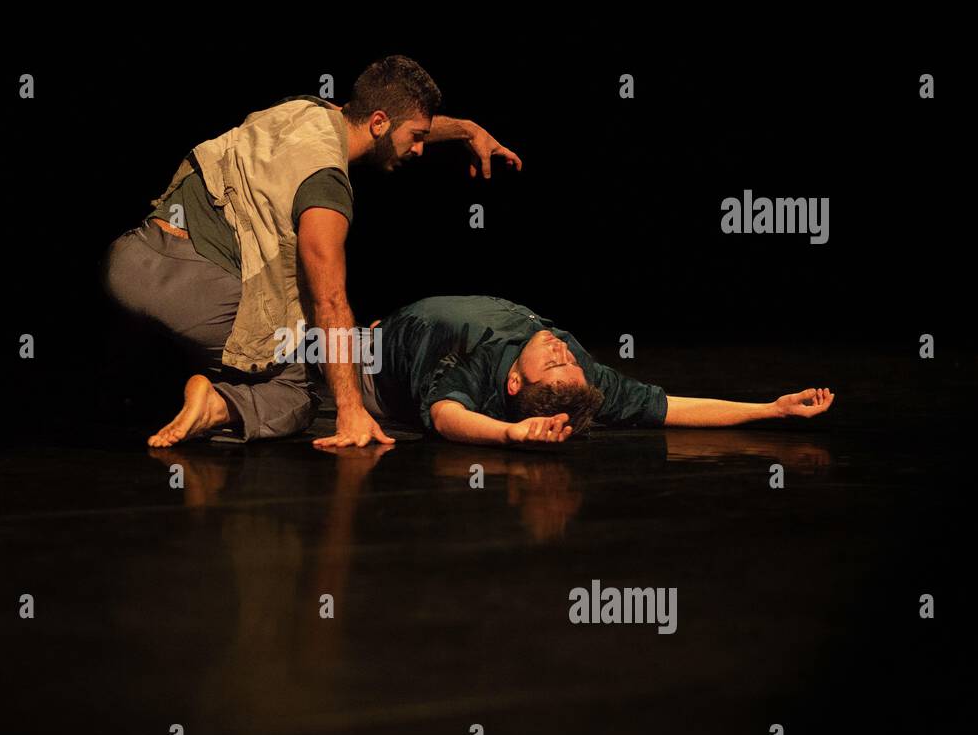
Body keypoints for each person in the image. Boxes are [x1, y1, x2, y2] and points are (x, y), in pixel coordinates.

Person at [102, 55, 523, 447]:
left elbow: (388, 120)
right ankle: (217, 405)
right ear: (378, 122)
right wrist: (351, 410)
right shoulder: (326, 185)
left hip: (130, 259)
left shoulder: (304, 109)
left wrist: (466, 129)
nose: (419, 149)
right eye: (416, 138)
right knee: (302, 383)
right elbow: (329, 298)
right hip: (191, 290)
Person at [146, 295, 836, 448]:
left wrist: (770, 411)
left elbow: (671, 408)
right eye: (564, 357)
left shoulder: (493, 373)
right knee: (295, 400)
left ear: (514, 386)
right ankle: (216, 394)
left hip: (386, 380)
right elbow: (447, 416)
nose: (564, 352)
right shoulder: (517, 350)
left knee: (304, 417)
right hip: (357, 349)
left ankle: (214, 400)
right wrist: (516, 434)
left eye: (559, 364)